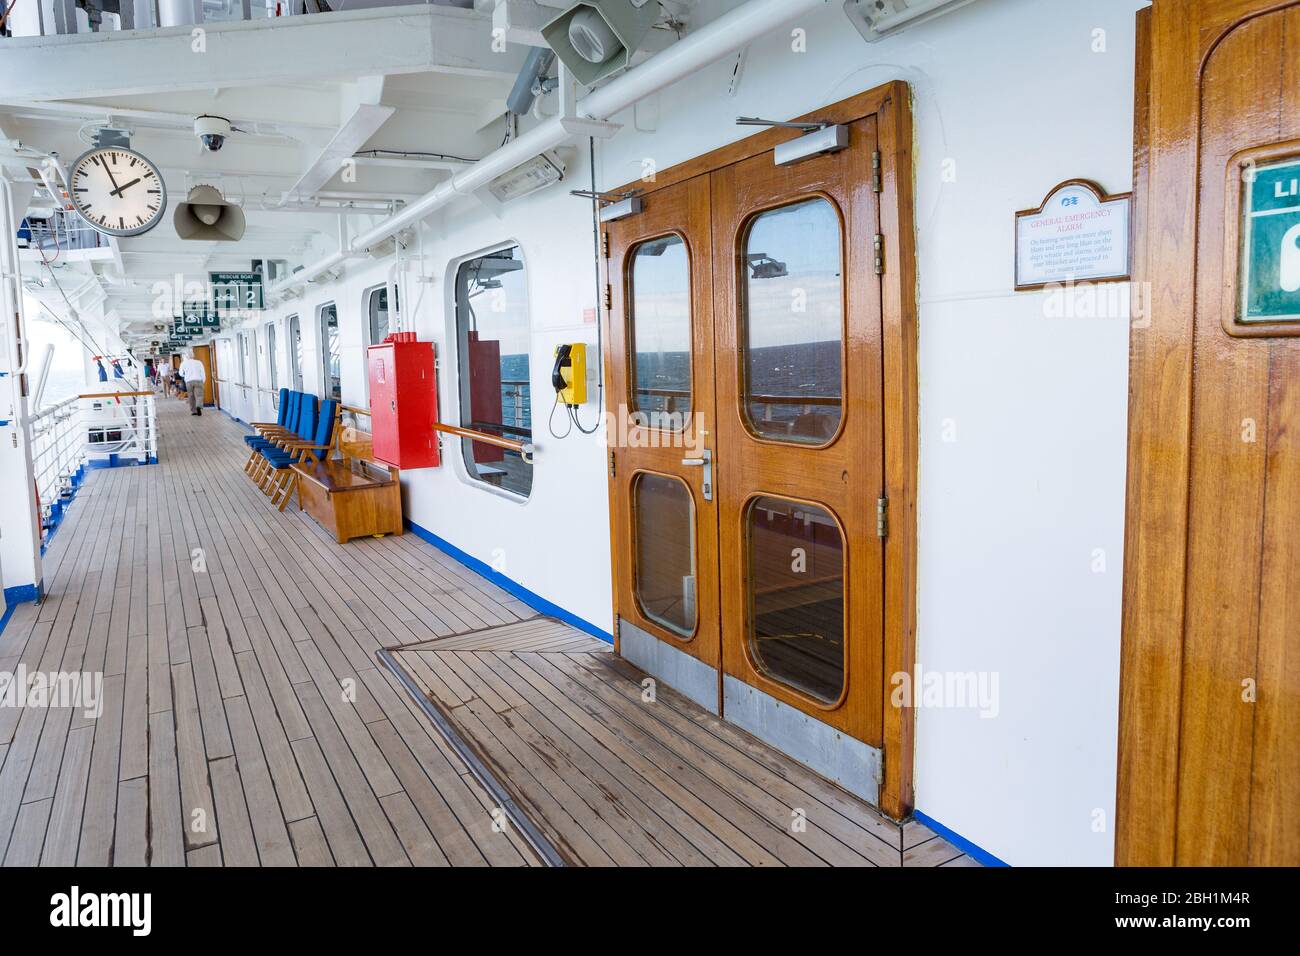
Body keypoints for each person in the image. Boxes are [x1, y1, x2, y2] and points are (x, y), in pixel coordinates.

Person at [178, 350, 207, 416]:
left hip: (189, 381)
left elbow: (180, 373)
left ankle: (194, 411)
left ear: (187, 356)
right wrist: (203, 380)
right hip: (198, 380)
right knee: (199, 395)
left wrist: (185, 375)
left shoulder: (184, 363)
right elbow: (203, 372)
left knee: (191, 396)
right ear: (193, 356)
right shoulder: (199, 362)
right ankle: (198, 406)